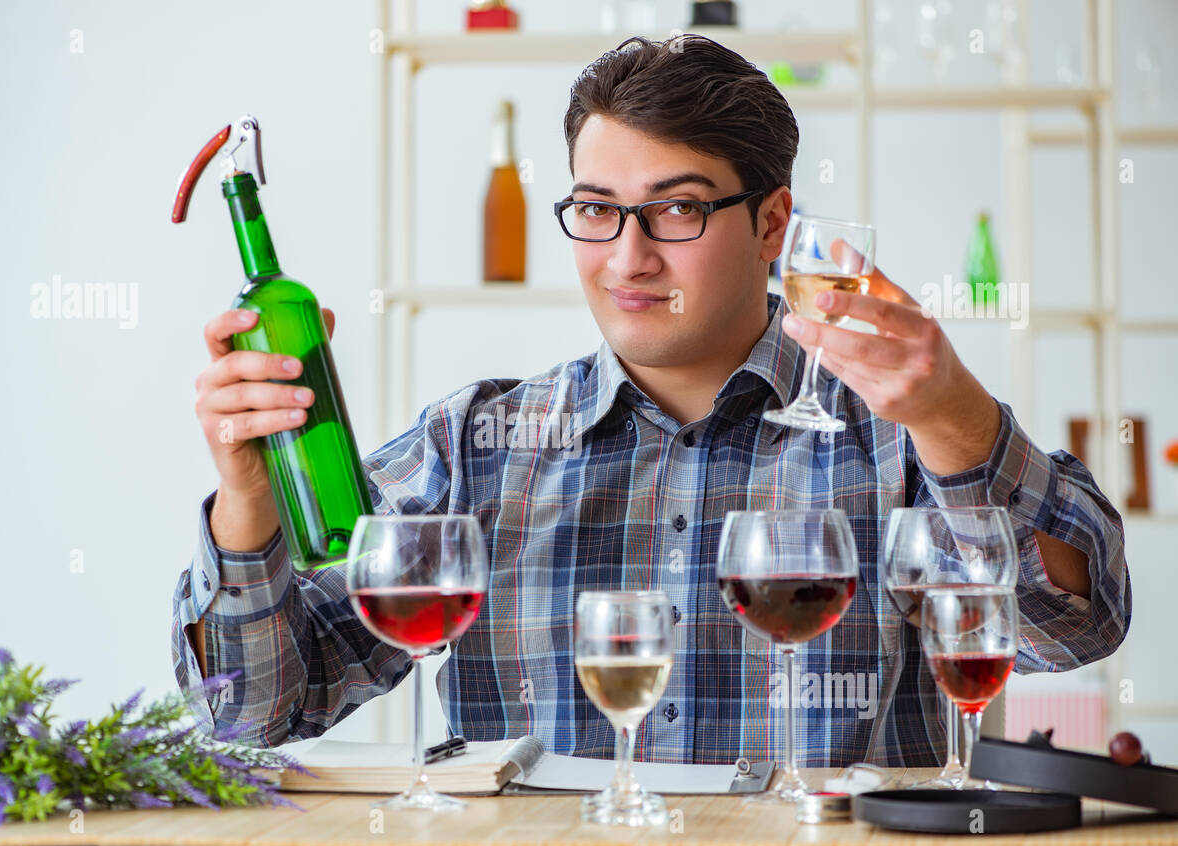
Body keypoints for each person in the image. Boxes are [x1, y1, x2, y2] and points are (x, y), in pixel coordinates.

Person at [172, 35, 1130, 766]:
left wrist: (957, 414)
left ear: (771, 223)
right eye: (596, 210)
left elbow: (1075, 626)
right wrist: (247, 502)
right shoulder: (476, 446)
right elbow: (252, 710)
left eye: (676, 209)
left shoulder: (896, 433)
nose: (627, 258)